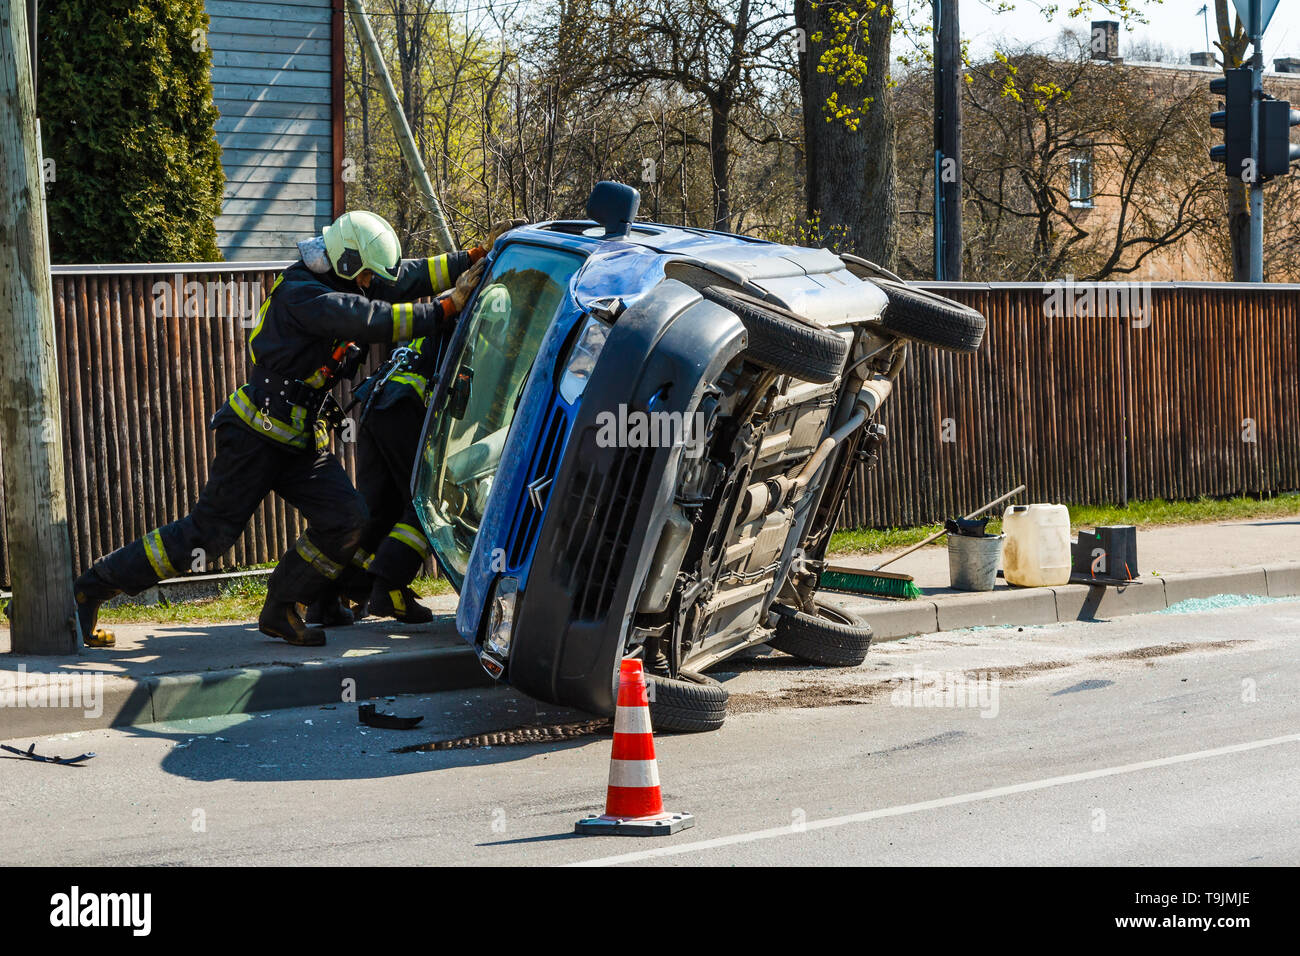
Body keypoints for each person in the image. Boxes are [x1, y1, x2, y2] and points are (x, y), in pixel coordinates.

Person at [72, 211, 492, 648]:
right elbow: (370, 318)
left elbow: (403, 277)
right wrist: (446, 308)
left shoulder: (345, 278)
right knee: (207, 535)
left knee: (347, 518)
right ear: (346, 261)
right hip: (254, 436)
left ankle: (288, 605)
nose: (371, 282)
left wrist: (475, 256)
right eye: (366, 274)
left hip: (298, 438)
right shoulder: (305, 293)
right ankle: (92, 587)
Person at [313, 275, 519, 626]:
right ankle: (389, 587)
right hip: (405, 410)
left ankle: (330, 594)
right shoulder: (469, 318)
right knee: (430, 502)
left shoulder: (441, 309)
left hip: (378, 406)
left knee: (379, 510)